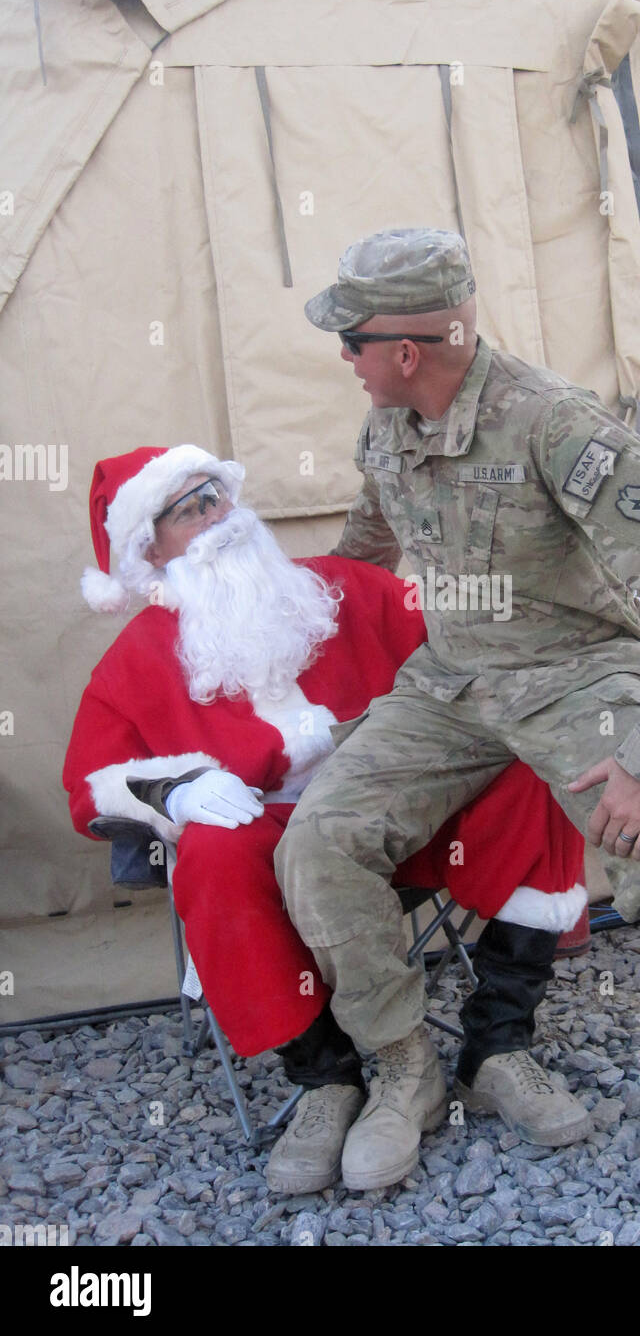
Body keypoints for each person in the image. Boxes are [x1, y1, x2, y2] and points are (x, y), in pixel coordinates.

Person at [275, 227, 640, 1195]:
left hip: (576, 675)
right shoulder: (387, 427)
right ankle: (403, 1067)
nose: (341, 360)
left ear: (403, 350)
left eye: (349, 342)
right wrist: (253, 601)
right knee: (317, 843)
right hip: (451, 682)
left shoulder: (554, 424)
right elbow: (367, 540)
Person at [63, 444, 589, 1194]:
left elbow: (459, 644)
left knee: (528, 761)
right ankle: (328, 1079)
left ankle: (499, 1043)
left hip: (402, 815)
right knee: (210, 850)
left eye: (217, 492)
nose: (219, 513)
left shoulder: (339, 588)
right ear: (149, 551)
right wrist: (169, 791)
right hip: (276, 854)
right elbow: (91, 783)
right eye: (190, 508)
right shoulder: (135, 659)